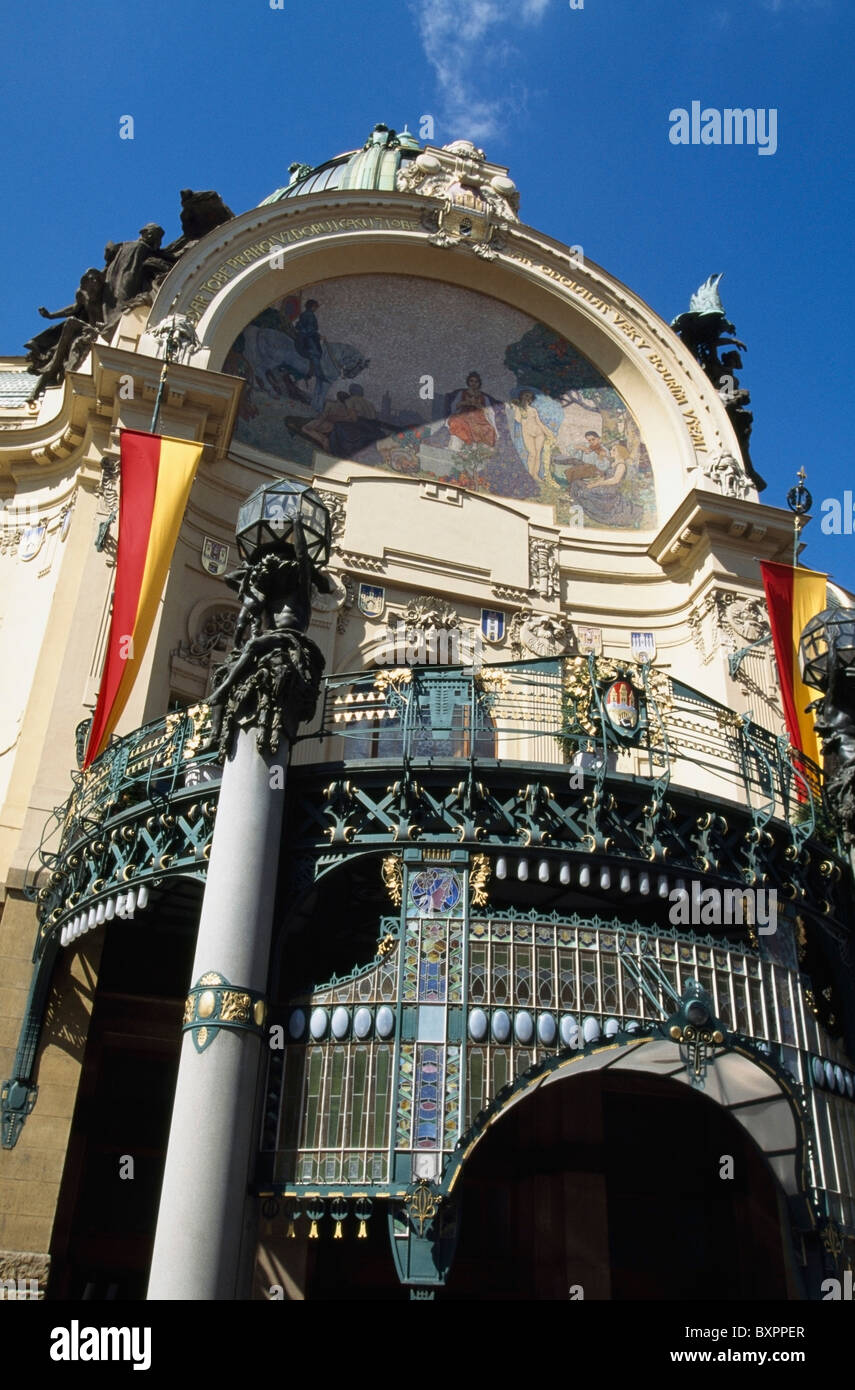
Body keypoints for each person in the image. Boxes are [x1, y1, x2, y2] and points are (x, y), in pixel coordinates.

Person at [447, 372, 498, 450]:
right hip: (463, 415)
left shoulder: (484, 397)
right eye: (471, 381)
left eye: (476, 381)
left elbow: (489, 410)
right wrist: (464, 403)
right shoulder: (462, 393)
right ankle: (464, 444)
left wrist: (478, 405)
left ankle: (477, 448)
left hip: (478, 418)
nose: (473, 383)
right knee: (456, 422)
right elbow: (454, 406)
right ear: (468, 382)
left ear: (479, 383)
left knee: (487, 429)